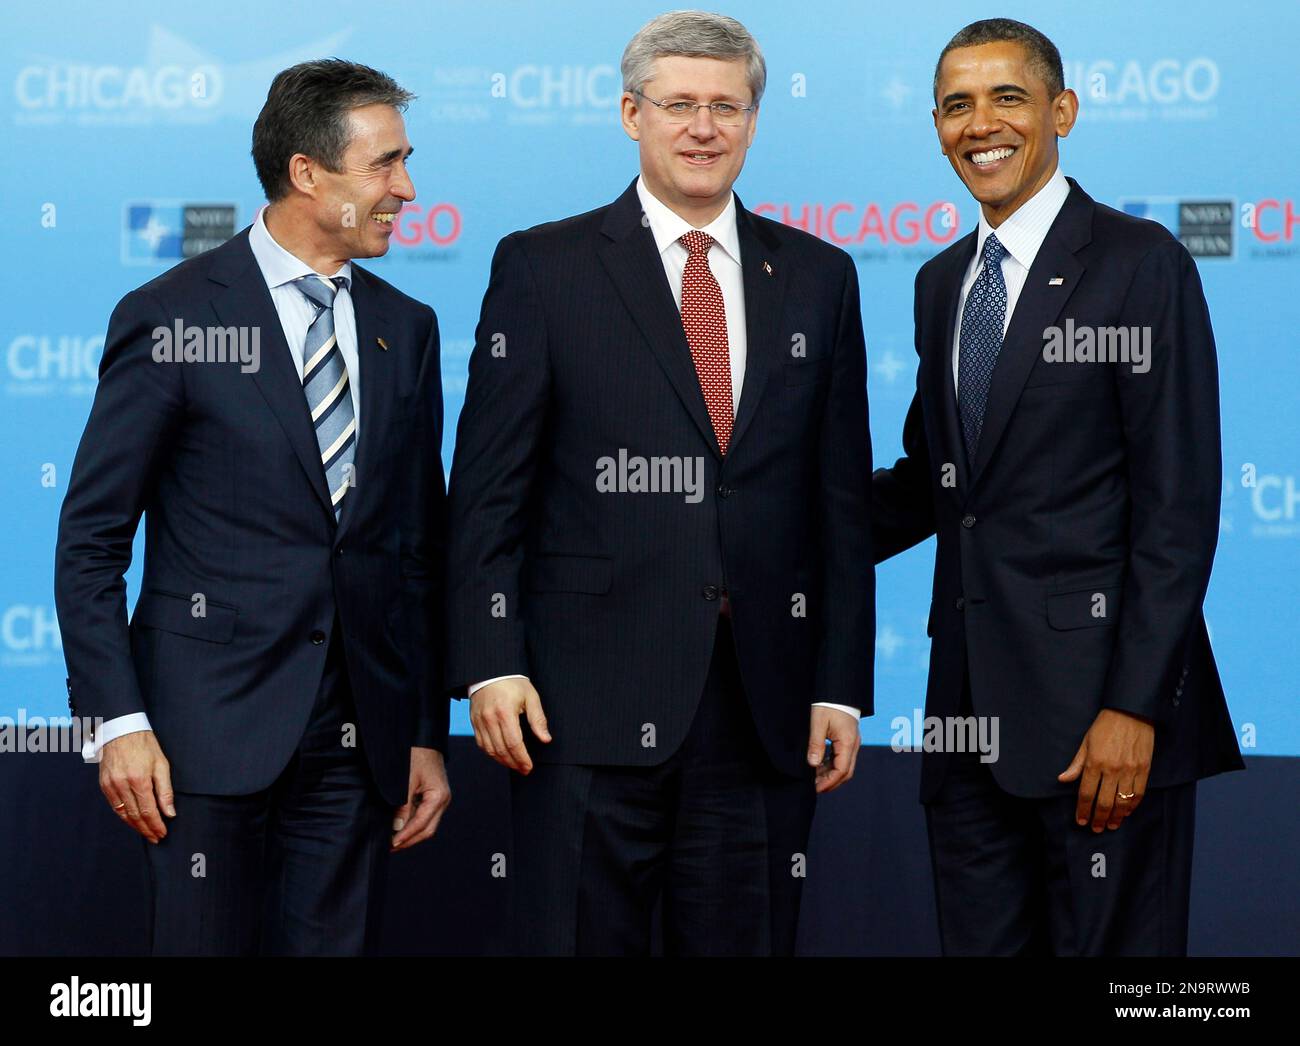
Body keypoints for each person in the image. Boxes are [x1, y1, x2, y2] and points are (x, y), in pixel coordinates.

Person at [445, 11, 874, 955]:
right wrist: (490, 659)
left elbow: (836, 503)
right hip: (577, 704)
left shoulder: (820, 277)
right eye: (679, 104)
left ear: (755, 123)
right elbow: (487, 491)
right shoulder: (543, 266)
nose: (704, 127)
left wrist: (840, 684)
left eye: (727, 106)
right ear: (631, 113)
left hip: (761, 712)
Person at [54, 59, 450, 955]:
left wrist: (425, 732)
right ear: (308, 173)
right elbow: (90, 541)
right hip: (201, 740)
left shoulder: (408, 326)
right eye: (385, 164)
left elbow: (416, 548)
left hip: (361, 747)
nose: (407, 188)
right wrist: (117, 721)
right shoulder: (173, 316)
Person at [872, 18, 1243, 955]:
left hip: (1102, 732)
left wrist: (1134, 707)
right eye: (957, 104)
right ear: (936, 125)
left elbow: (1179, 501)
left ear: (1061, 111)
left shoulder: (1139, 262)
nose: (980, 123)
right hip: (965, 731)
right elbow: (938, 484)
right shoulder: (938, 282)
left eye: (1008, 97)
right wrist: (752, 523)